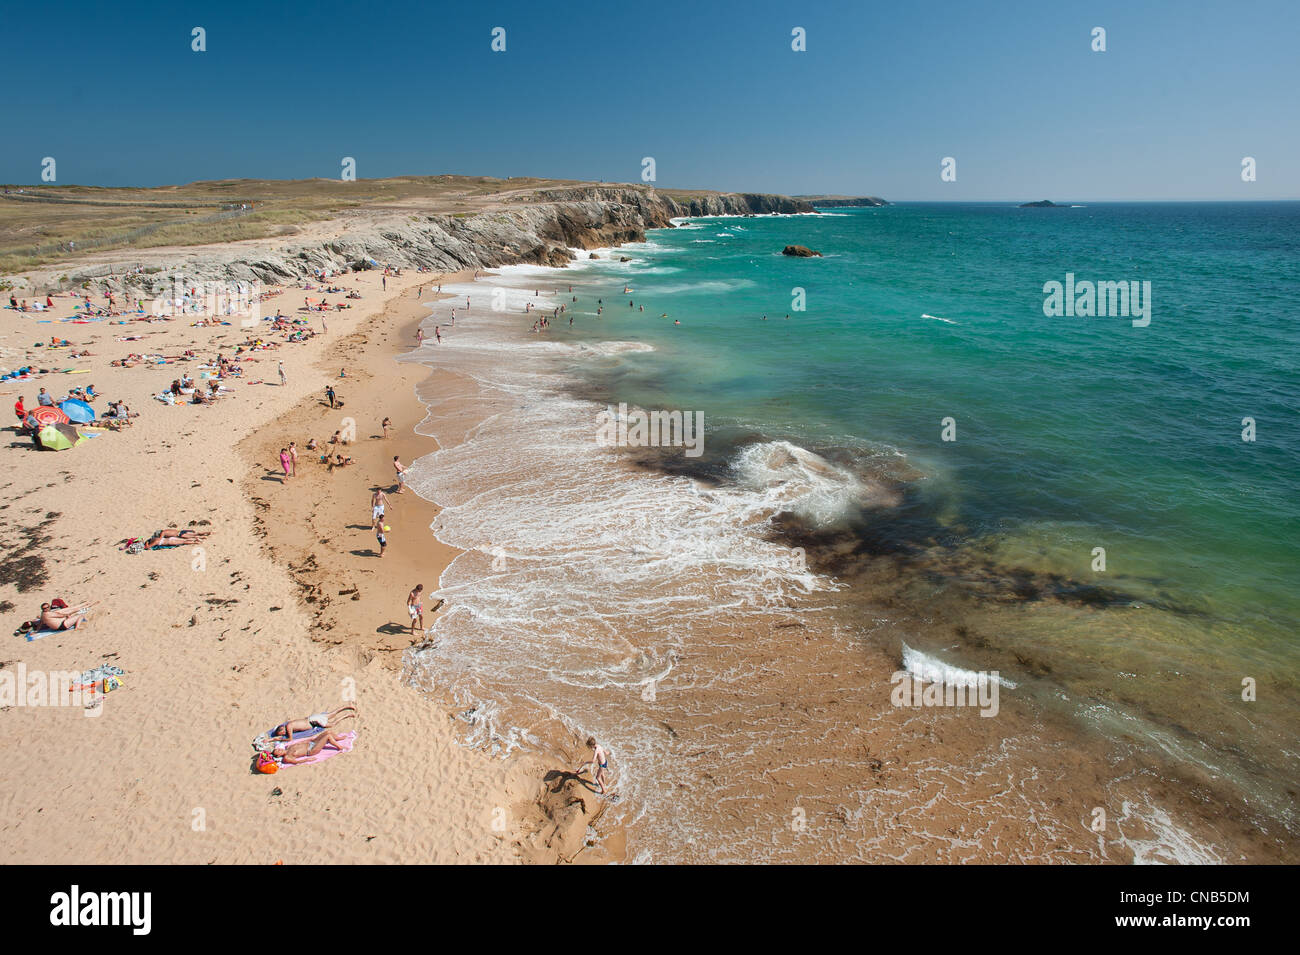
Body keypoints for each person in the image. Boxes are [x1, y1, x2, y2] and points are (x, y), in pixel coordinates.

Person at [270, 705, 358, 740]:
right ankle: (347, 707)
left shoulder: (289, 727)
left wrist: (275, 739)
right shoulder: (290, 724)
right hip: (312, 719)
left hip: (314, 722)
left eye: (280, 733)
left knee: (332, 724)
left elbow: (290, 738)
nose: (282, 734)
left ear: (281, 729)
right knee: (332, 714)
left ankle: (347, 715)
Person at [272, 728, 351, 765]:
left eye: (278, 749)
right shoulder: (287, 757)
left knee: (328, 732)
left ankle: (338, 738)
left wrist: (311, 739)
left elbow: (301, 742)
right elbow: (296, 762)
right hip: (311, 750)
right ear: (279, 755)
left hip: (311, 743)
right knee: (328, 736)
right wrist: (308, 759)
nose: (280, 750)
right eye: (278, 751)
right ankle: (340, 747)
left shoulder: (288, 747)